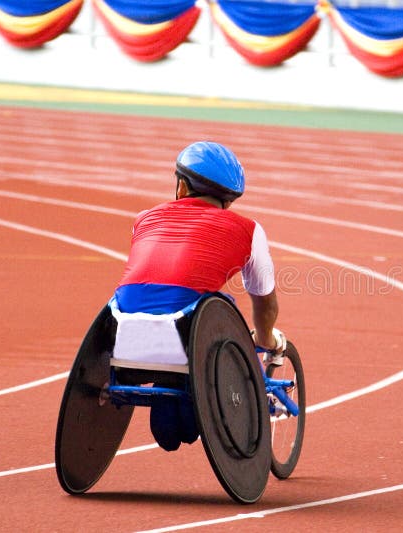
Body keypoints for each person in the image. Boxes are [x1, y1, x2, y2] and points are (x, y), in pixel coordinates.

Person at [113, 140, 285, 451]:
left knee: (190, 301)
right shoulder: (249, 231)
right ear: (229, 200)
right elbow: (265, 302)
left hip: (125, 330)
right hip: (190, 336)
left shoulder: (144, 219)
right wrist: (265, 340)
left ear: (181, 187)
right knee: (220, 305)